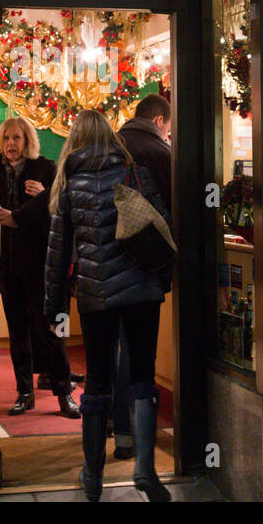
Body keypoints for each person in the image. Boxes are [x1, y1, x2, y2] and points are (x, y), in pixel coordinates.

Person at [44, 109, 173, 502]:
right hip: (141, 293)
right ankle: (145, 470)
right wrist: (162, 282)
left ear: (75, 139)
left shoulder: (68, 184)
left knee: (98, 380)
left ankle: (93, 474)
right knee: (142, 376)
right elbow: (162, 229)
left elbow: (57, 252)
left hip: (95, 295)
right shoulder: (134, 173)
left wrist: (54, 307)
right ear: (110, 136)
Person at [0, 117, 80, 419]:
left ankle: (63, 394)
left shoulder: (45, 168)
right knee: (17, 333)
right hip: (9, 265)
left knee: (51, 332)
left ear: (27, 140)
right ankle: (24, 393)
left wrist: (41, 196)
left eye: (16, 138)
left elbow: (60, 209)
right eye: (6, 139)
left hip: (40, 265)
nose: (10, 145)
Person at [112, 94, 173, 460]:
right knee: (138, 354)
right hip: (145, 265)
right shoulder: (162, 155)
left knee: (113, 349)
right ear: (160, 119)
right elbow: (170, 213)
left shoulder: (108, 148)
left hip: (107, 266)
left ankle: (115, 426)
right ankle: (132, 434)